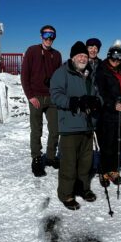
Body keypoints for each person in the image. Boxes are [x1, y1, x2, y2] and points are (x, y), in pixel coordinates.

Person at [50, 41, 102, 210]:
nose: (83, 58)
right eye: (79, 55)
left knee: (86, 162)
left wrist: (96, 102)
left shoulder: (90, 73)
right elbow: (55, 95)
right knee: (69, 163)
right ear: (72, 57)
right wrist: (74, 102)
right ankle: (66, 194)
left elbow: (99, 94)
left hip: (87, 125)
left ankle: (83, 188)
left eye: (85, 56)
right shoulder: (62, 73)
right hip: (70, 126)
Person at [21, 24, 62, 177]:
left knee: (55, 129)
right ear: (41, 36)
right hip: (36, 97)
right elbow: (24, 75)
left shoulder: (57, 55)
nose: (49, 38)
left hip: (51, 97)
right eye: (46, 35)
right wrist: (30, 96)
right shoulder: (32, 51)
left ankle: (51, 157)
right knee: (36, 129)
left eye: (52, 35)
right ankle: (37, 158)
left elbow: (58, 77)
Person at [95, 41, 121, 188]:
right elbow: (101, 92)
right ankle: (104, 171)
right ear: (109, 56)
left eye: (119, 58)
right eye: (113, 57)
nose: (116, 60)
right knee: (108, 143)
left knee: (118, 141)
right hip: (109, 113)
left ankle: (113, 170)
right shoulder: (102, 70)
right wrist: (112, 104)